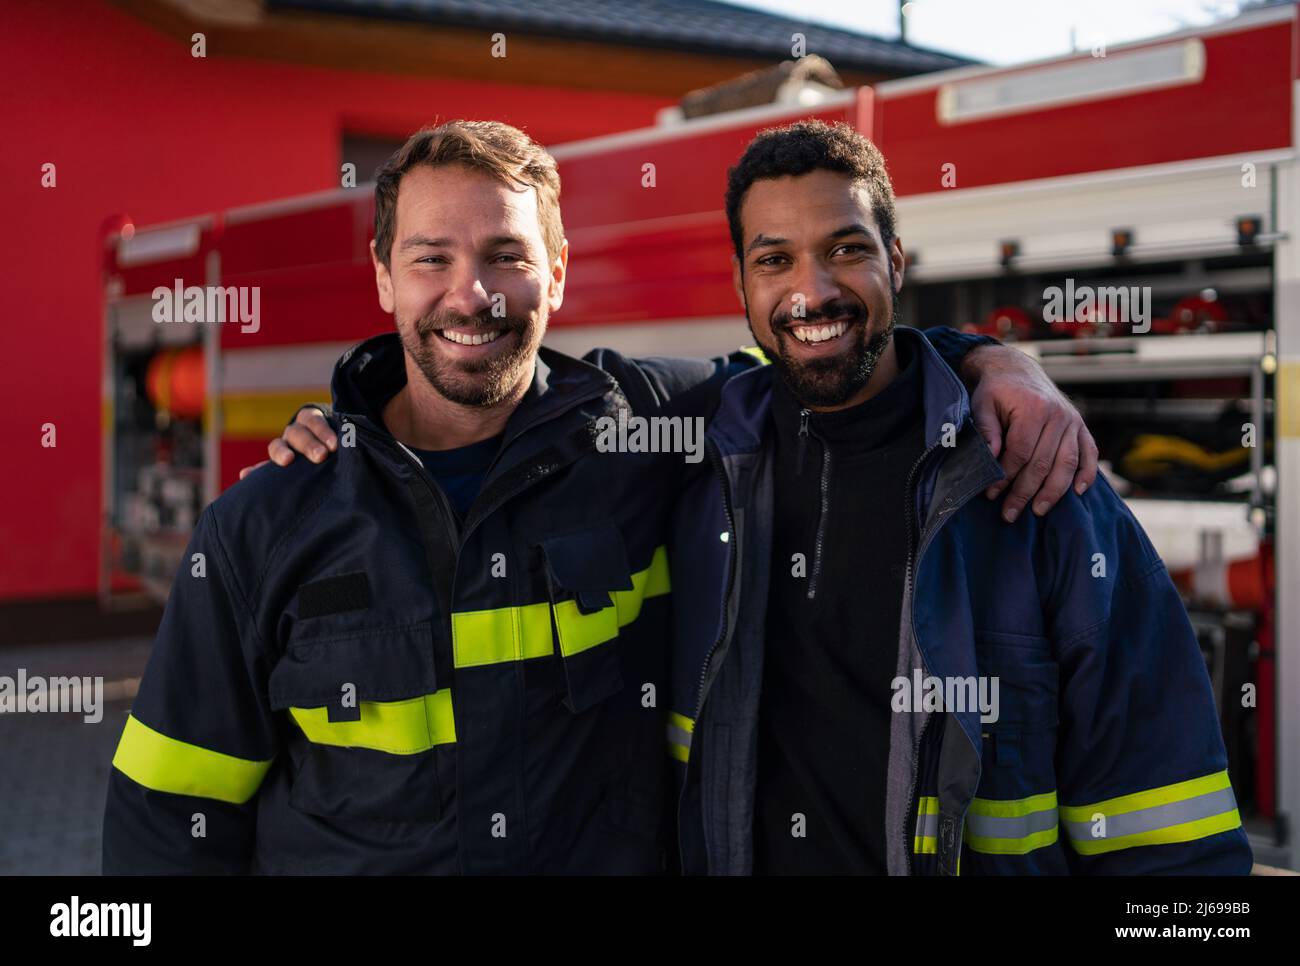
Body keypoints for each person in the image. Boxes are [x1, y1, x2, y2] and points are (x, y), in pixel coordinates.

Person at [104, 120, 1090, 874]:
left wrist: (995, 363)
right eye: (431, 259)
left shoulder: (649, 428)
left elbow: (825, 348)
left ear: (559, 273)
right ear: (382, 279)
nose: (471, 295)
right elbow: (167, 815)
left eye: (507, 256)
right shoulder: (268, 521)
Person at [663, 120, 1252, 875]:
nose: (812, 291)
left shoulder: (1041, 486)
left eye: (847, 250)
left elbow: (1176, 839)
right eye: (775, 259)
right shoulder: (692, 470)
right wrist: (986, 355)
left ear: (896, 261)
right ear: (742, 284)